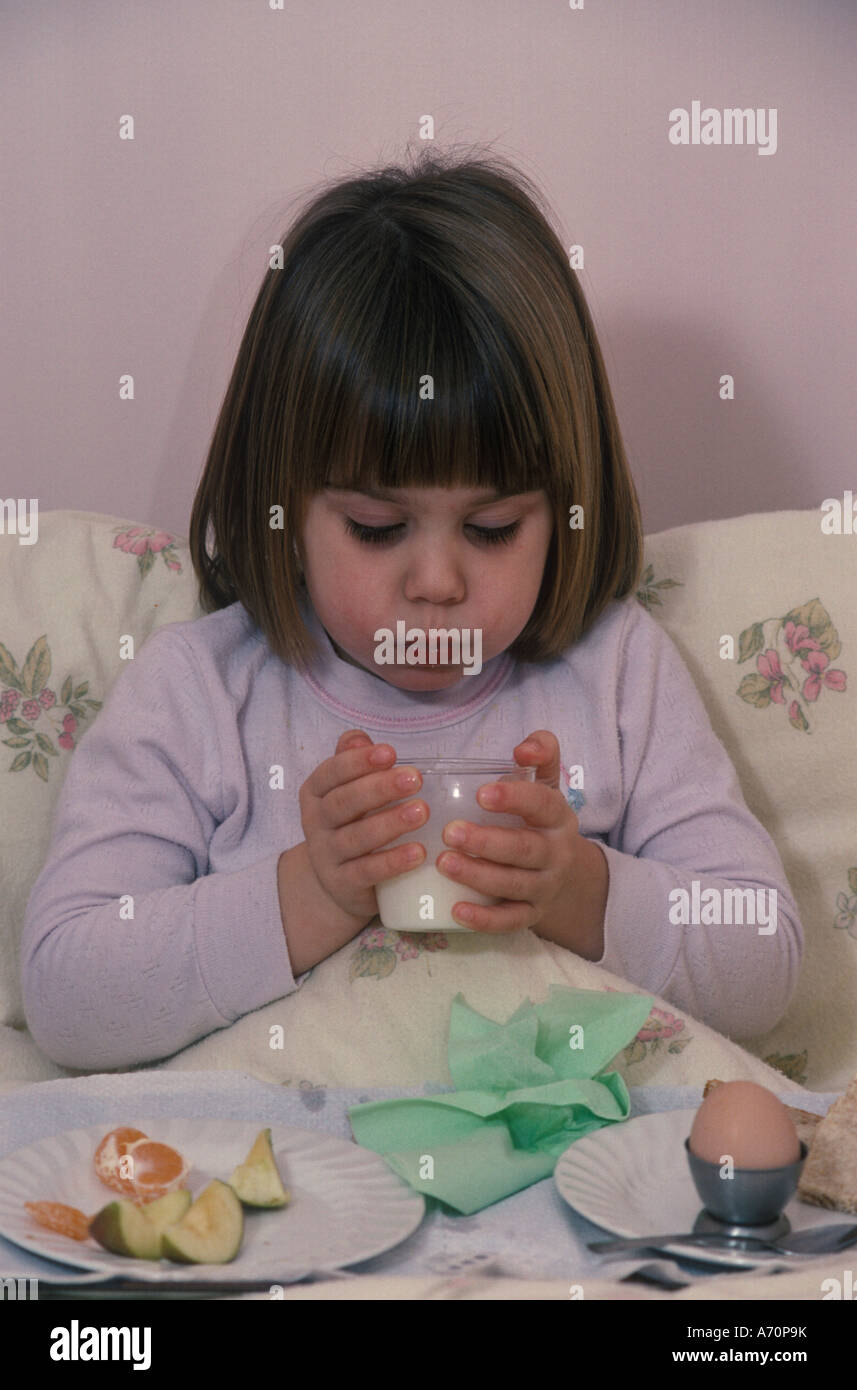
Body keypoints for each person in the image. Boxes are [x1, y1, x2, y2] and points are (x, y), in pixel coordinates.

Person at [21, 147, 802, 1070]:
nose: (436, 582)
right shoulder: (202, 694)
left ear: (563, 508)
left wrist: (577, 890)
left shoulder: (613, 675)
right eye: (378, 526)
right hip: (294, 1181)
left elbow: (766, 967)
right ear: (283, 506)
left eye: (493, 527)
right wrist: (310, 893)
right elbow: (67, 994)